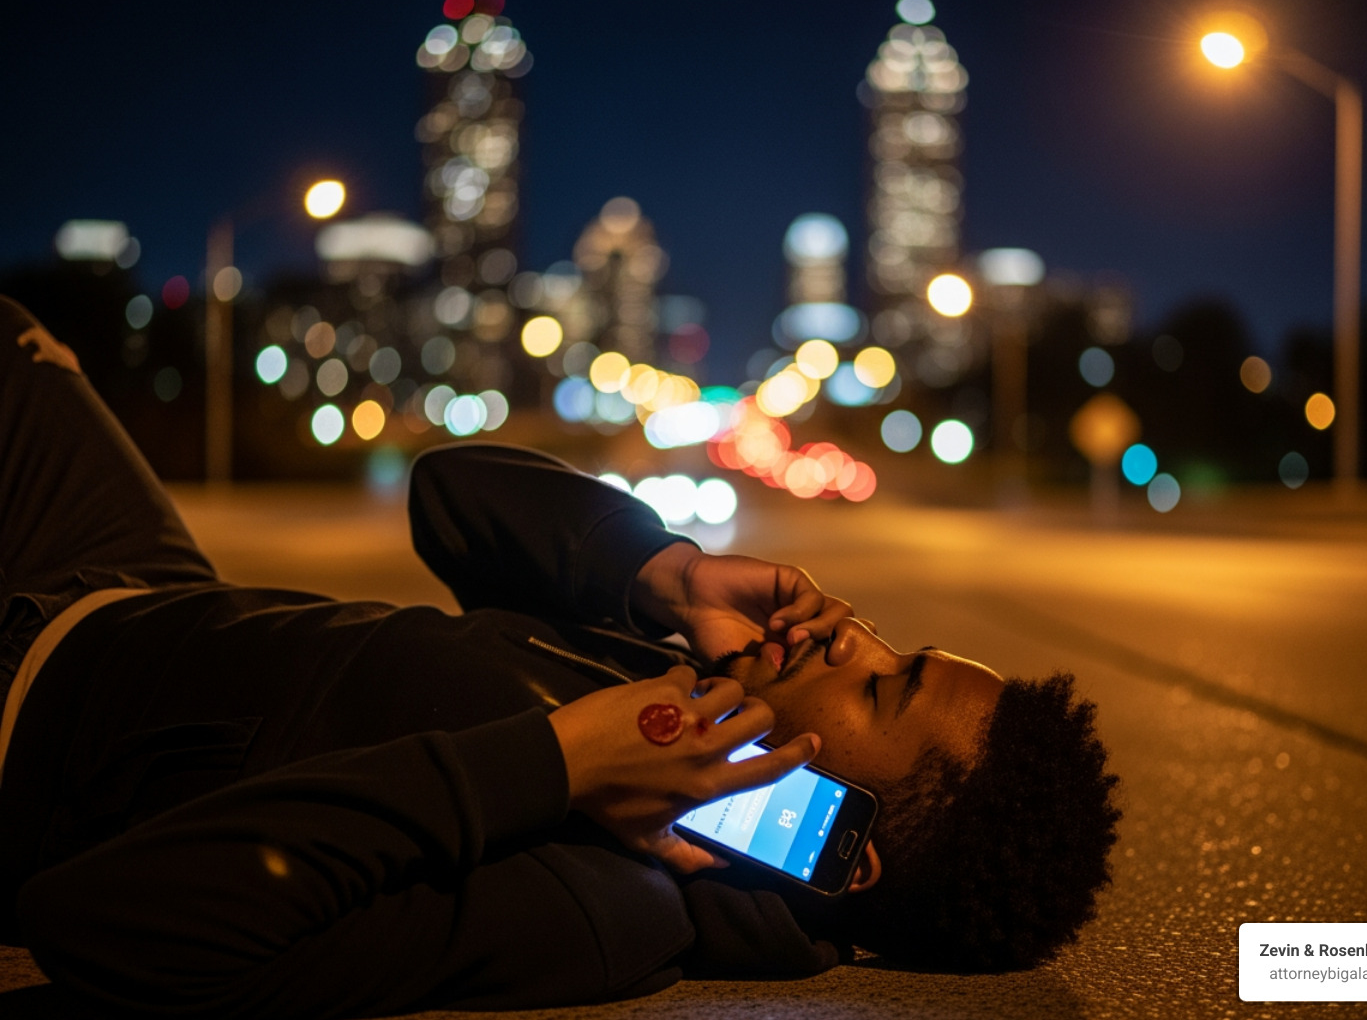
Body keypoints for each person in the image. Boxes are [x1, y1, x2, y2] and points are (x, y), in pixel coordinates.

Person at [0, 294, 1120, 1017]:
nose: (850, 630)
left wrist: (556, 764)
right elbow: (452, 493)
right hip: (140, 595)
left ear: (843, 848)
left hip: (32, 713)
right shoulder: (669, 691)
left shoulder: (601, 903)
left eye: (884, 682)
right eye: (887, 639)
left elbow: (99, 919)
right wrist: (666, 576)